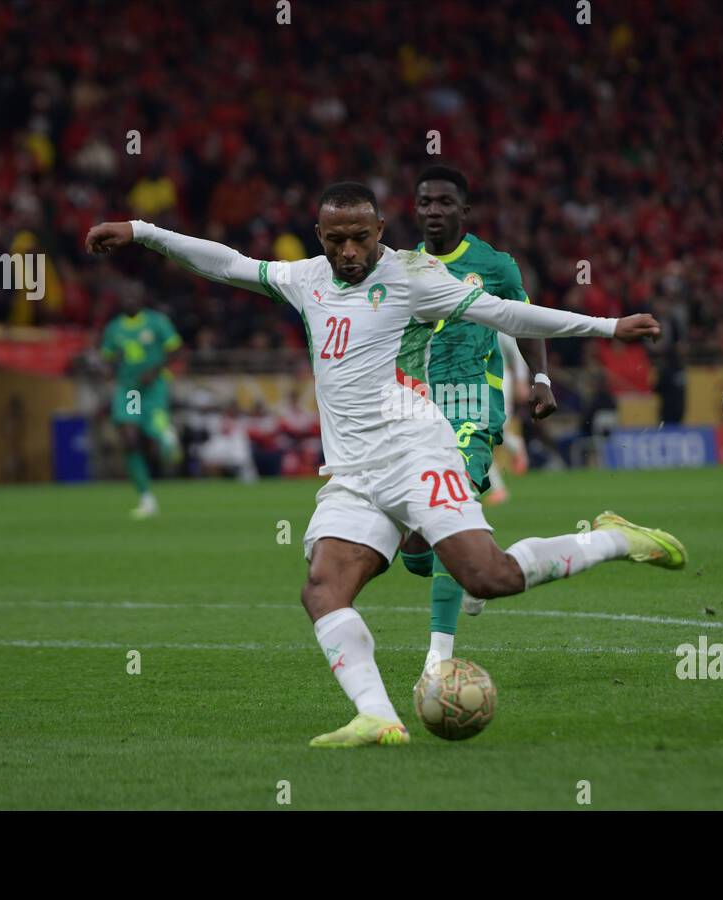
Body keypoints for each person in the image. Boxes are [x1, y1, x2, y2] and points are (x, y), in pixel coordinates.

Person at [85, 181, 686, 748]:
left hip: (413, 451)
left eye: (359, 238)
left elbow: (506, 314)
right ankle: (376, 715)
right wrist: (142, 230)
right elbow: (226, 263)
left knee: (489, 577)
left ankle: (612, 539)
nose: (347, 252)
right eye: (334, 239)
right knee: (324, 589)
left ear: (380, 229)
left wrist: (608, 327)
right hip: (352, 474)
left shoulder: (414, 277)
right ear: (319, 235)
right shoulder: (305, 279)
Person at [397, 166, 559, 680]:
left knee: (447, 509)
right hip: (415, 412)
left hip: (473, 407)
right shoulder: (397, 267)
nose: (433, 211)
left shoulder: (493, 265)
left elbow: (527, 318)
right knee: (416, 549)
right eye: (425, 203)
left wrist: (541, 378)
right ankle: (474, 571)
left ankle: (437, 659)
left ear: (463, 211)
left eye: (444, 202)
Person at [99, 286, 184, 518]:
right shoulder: (114, 328)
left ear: (142, 298)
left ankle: (166, 435)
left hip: (153, 387)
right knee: (128, 438)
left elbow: (176, 349)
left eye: (133, 295)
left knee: (155, 439)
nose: (129, 300)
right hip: (129, 390)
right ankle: (146, 498)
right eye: (125, 296)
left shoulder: (156, 322)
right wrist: (106, 370)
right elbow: (108, 358)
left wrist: (154, 370)